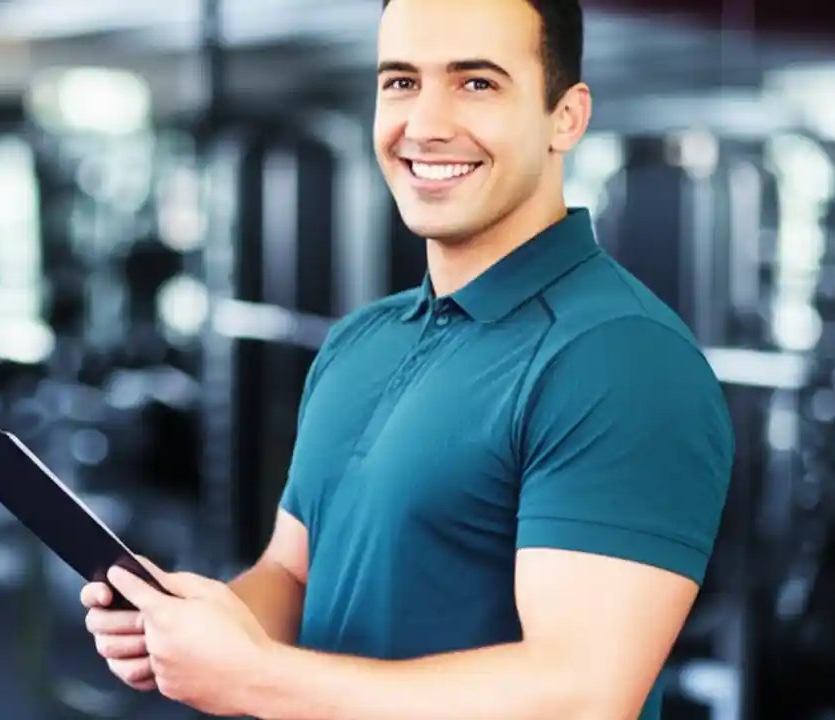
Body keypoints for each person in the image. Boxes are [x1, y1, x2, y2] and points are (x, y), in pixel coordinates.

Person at [82, 0, 735, 717]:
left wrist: (255, 678)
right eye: (400, 83)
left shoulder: (622, 358)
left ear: (566, 118)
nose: (424, 123)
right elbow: (291, 576)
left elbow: (581, 695)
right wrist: (187, 623)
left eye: (476, 83)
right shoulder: (358, 341)